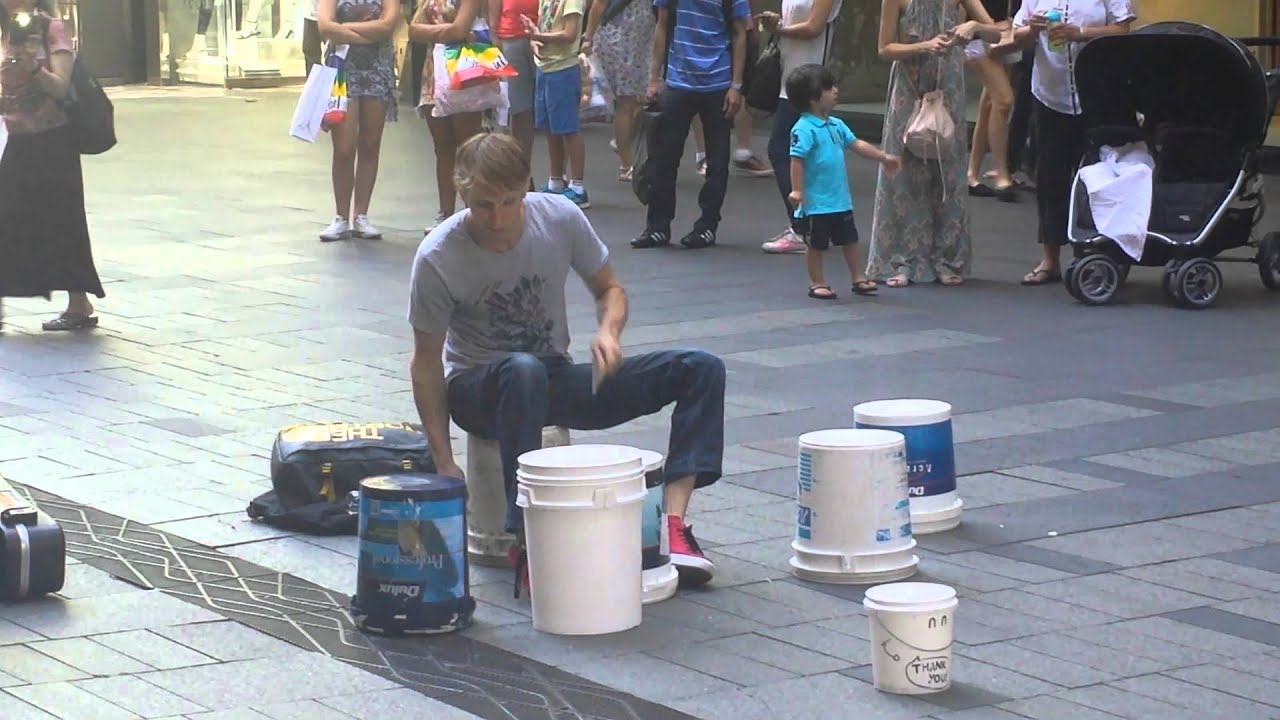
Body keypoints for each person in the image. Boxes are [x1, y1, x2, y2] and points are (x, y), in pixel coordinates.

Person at [408, 133, 726, 590]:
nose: (497, 218)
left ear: (527, 187)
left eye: (509, 202)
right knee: (523, 371)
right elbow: (425, 363)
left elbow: (609, 288)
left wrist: (608, 332)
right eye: (482, 206)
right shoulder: (439, 255)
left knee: (701, 367)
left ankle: (674, 526)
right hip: (478, 388)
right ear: (461, 193)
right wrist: (443, 460)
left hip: (551, 376)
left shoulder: (559, 216)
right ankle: (528, 541)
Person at [866, 0, 1003, 288]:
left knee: (947, 171)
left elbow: (996, 33)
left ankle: (946, 257)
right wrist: (923, 46)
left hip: (948, 86)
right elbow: (884, 48)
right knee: (903, 172)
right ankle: (902, 258)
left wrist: (974, 26)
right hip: (909, 85)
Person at [0, 0, 105, 332]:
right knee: (6, 219)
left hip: (54, 140)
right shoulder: (3, 33)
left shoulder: (52, 29)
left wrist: (33, 67)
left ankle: (79, 303)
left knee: (63, 220)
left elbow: (60, 87)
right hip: (17, 139)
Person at [1014, 0, 1134, 286]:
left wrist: (1079, 33)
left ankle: (1102, 254)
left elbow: (1122, 30)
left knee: (1101, 177)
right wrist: (1031, 30)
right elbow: (1016, 35)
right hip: (1050, 95)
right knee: (1050, 177)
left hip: (1098, 95)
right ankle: (1050, 258)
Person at [630, 0, 748, 250]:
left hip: (718, 83)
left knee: (717, 162)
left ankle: (707, 226)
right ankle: (658, 227)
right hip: (677, 82)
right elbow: (662, 26)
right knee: (663, 159)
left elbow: (740, 34)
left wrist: (736, 86)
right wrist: (654, 78)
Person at [785, 64, 900, 300]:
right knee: (815, 244)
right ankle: (817, 281)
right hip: (816, 203)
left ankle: (858, 276)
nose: (835, 90)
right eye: (829, 87)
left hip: (839, 199)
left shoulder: (836, 125)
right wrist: (797, 190)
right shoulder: (803, 129)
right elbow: (797, 160)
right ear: (813, 98)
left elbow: (856, 144)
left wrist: (882, 157)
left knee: (850, 239)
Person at [758, 0, 841, 255]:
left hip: (809, 82)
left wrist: (780, 29)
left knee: (782, 150)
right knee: (800, 154)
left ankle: (803, 227)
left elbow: (814, 27)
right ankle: (815, 226)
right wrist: (776, 23)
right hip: (789, 77)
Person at [316, 0, 401, 242]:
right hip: (343, 66)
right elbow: (325, 27)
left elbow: (387, 26)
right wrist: (367, 34)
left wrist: (345, 30)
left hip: (378, 67)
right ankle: (341, 216)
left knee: (370, 144)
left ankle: (361, 215)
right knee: (343, 147)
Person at [410, 0, 487, 232]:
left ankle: (474, 210)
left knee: (468, 148)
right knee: (442, 147)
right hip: (434, 72)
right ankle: (445, 212)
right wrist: (447, 32)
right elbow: (413, 29)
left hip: (463, 70)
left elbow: (460, 29)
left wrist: (434, 32)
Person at [523, 0, 590, 207]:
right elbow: (543, 25)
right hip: (544, 67)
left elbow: (570, 34)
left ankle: (577, 186)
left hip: (563, 68)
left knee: (569, 128)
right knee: (550, 129)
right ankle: (556, 180)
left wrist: (538, 36)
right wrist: (534, 41)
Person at [583, 0, 654, 182]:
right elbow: (599, 3)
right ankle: (626, 164)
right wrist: (588, 38)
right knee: (626, 103)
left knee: (640, 101)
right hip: (621, 40)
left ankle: (624, 143)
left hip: (643, 42)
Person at [964, 0, 1021, 200]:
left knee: (991, 102)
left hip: (1007, 36)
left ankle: (972, 173)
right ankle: (1001, 174)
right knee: (1004, 100)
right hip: (979, 36)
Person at [489, 0, 539, 172]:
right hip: (511, 35)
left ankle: (558, 176)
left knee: (552, 106)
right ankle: (522, 170)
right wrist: (493, 32)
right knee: (519, 107)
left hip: (548, 35)